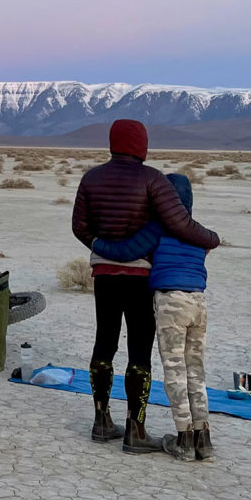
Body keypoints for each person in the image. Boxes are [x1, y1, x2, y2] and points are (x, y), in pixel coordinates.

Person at [71, 120, 219, 453]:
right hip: (141, 276)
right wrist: (211, 239)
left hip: (104, 273)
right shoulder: (152, 179)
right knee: (139, 350)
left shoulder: (91, 178)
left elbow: (79, 226)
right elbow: (178, 222)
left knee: (104, 342)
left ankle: (101, 420)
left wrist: (98, 244)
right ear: (141, 143)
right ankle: (135, 430)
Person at [92, 173, 215, 462]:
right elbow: (212, 240)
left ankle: (183, 440)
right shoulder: (199, 233)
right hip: (199, 301)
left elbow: (126, 251)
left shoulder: (157, 229)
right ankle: (203, 438)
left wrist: (97, 245)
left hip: (171, 304)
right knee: (195, 371)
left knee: (175, 371)